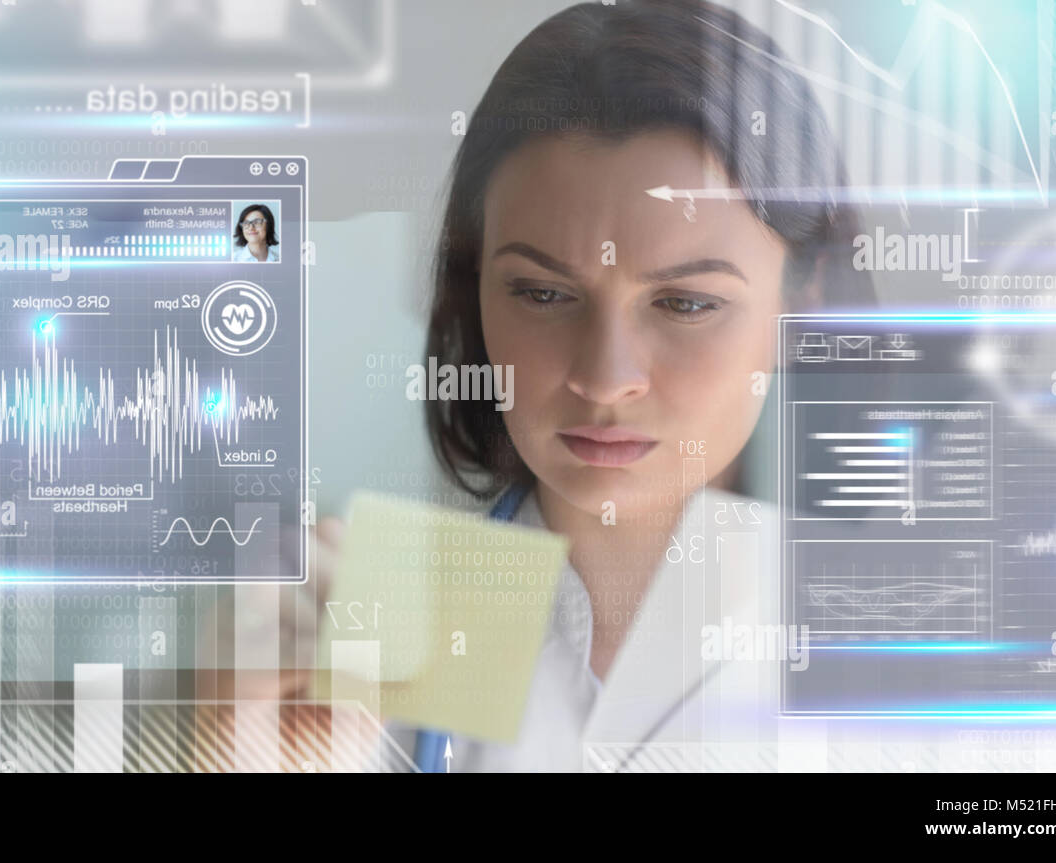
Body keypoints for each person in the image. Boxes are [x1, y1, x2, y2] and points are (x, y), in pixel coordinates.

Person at [269, 0, 874, 772]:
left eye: (686, 303)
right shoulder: (369, 639)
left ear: (808, 300)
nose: (604, 377)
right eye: (543, 293)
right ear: (473, 285)